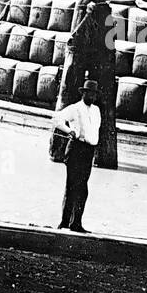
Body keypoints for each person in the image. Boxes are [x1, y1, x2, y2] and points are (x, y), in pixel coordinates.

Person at [51, 78, 102, 233]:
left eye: (94, 94)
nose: (91, 97)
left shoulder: (96, 110)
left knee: (81, 187)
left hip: (89, 150)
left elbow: (95, 131)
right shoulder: (75, 108)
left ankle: (72, 222)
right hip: (76, 149)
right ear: (83, 93)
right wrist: (69, 131)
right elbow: (57, 119)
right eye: (89, 93)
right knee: (75, 187)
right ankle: (69, 223)